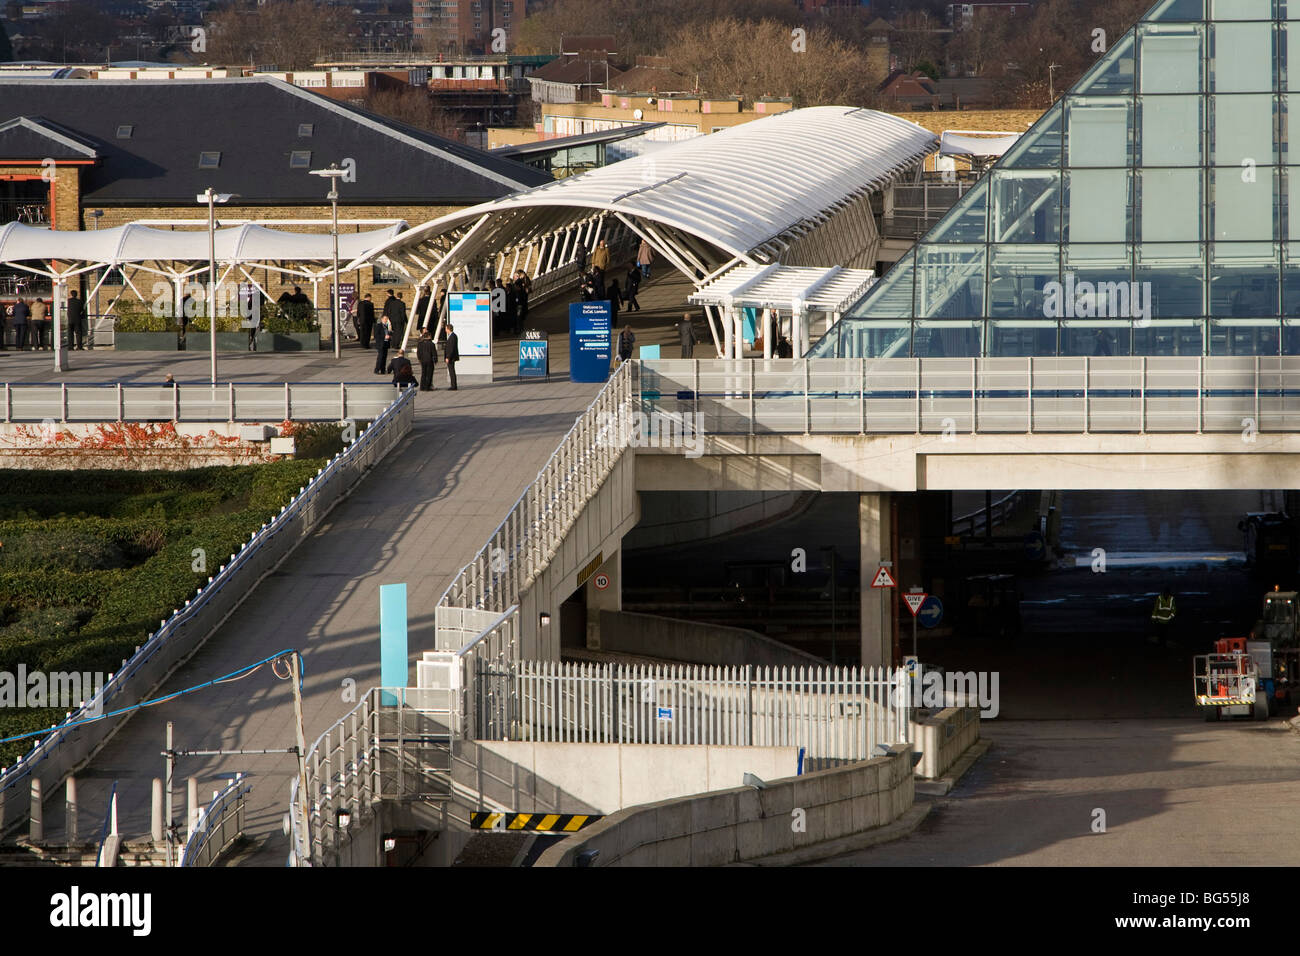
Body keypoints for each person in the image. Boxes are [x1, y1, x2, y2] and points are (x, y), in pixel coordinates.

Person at [444, 321, 460, 390]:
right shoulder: (452, 336)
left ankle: (453, 386)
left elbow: (451, 348)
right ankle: (453, 385)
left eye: (445, 329)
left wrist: (448, 357)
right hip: (451, 357)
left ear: (448, 329)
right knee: (451, 371)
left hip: (451, 357)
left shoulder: (452, 336)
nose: (445, 330)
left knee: (451, 371)